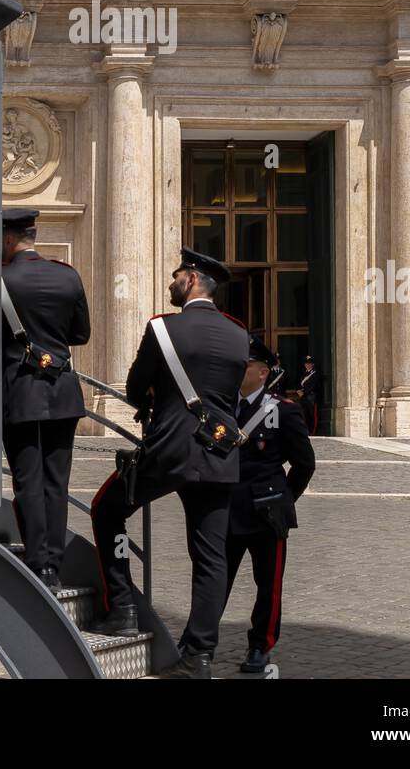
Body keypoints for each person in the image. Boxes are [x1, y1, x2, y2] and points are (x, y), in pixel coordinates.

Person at [89, 248, 249, 680]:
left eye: (177, 275)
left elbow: (138, 388)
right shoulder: (239, 335)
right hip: (218, 455)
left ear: (193, 279)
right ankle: (198, 656)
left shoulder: (162, 329)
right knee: (211, 557)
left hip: (169, 452)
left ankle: (121, 605)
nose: (171, 282)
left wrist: (156, 399)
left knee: (106, 509)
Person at [0, 206, 91, 591]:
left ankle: (39, 564)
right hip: (63, 392)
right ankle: (55, 560)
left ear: (9, 239)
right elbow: (80, 335)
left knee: (27, 480)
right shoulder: (67, 277)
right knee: (56, 482)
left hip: (20, 391)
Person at [225, 336, 316, 674]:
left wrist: (284, 498)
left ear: (262, 372)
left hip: (266, 513)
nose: (237, 369)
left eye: (244, 365)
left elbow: (304, 464)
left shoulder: (283, 411)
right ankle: (200, 641)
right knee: (214, 580)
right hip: (228, 512)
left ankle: (260, 646)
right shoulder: (223, 407)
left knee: (268, 585)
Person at [298, 355, 321, 435]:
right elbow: (301, 385)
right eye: (306, 363)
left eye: (309, 363)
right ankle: (306, 431)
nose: (308, 365)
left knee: (312, 415)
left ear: (312, 364)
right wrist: (299, 391)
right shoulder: (304, 374)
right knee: (305, 415)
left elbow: (314, 386)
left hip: (312, 397)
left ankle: (313, 432)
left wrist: (304, 392)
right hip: (304, 398)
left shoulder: (315, 374)